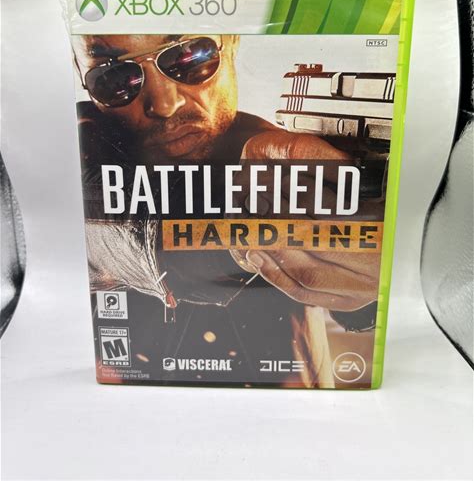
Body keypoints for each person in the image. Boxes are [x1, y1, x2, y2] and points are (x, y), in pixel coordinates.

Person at [72, 33, 380, 387]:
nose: (165, 104)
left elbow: (355, 305)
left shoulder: (284, 149)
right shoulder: (82, 149)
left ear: (231, 41)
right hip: (140, 401)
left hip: (294, 401)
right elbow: (111, 230)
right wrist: (247, 221)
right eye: (114, 77)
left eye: (188, 57)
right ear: (80, 73)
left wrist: (362, 279)